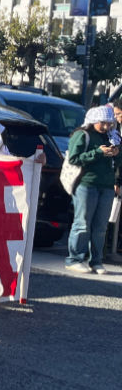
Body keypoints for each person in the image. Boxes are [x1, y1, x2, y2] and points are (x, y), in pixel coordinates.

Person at [65, 105, 118, 274]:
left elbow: (119, 162)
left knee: (101, 226)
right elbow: (74, 159)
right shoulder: (82, 135)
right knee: (82, 223)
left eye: (109, 123)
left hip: (107, 186)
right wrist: (97, 152)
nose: (106, 127)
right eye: (102, 123)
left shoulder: (113, 136)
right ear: (93, 121)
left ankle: (96, 261)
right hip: (86, 184)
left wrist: (117, 152)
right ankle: (74, 259)